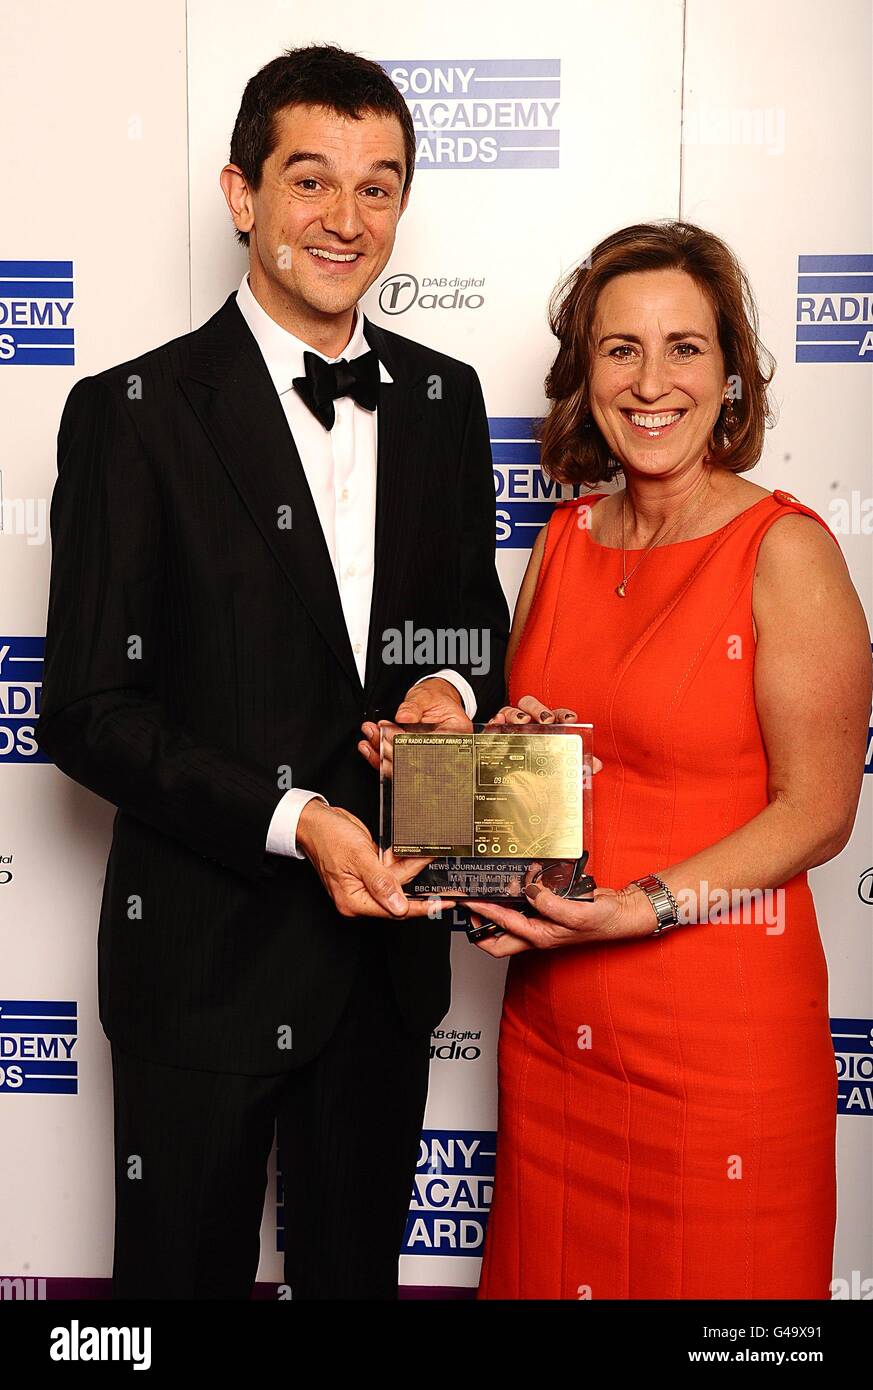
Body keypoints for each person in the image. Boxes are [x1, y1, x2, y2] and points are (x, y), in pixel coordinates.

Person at [36, 44, 508, 1300]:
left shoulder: (446, 400)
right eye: (312, 181)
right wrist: (301, 821)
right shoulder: (129, 413)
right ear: (243, 194)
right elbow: (85, 708)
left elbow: (472, 624)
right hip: (201, 964)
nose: (346, 220)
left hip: (383, 971)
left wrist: (448, 696)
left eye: (379, 186)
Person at [464, 221, 871, 1299]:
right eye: (621, 349)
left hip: (721, 1049)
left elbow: (820, 811)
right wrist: (499, 752)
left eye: (685, 348)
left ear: (731, 375)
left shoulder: (786, 550)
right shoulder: (561, 541)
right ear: (583, 371)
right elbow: (553, 753)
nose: (653, 382)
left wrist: (639, 907)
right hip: (555, 1037)